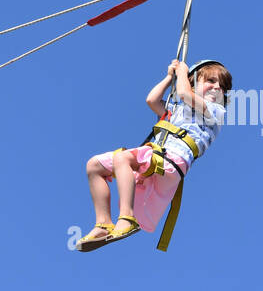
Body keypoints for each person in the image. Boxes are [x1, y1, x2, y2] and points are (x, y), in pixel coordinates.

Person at [79, 59, 231, 251]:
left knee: (122, 158)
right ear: (194, 82)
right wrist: (170, 77)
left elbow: (184, 93)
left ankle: (126, 218)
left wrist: (182, 72)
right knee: (94, 165)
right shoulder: (177, 111)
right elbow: (151, 100)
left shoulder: (216, 111)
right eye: (210, 81)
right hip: (158, 158)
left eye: (222, 86)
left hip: (172, 162)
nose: (217, 88)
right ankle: (103, 224)